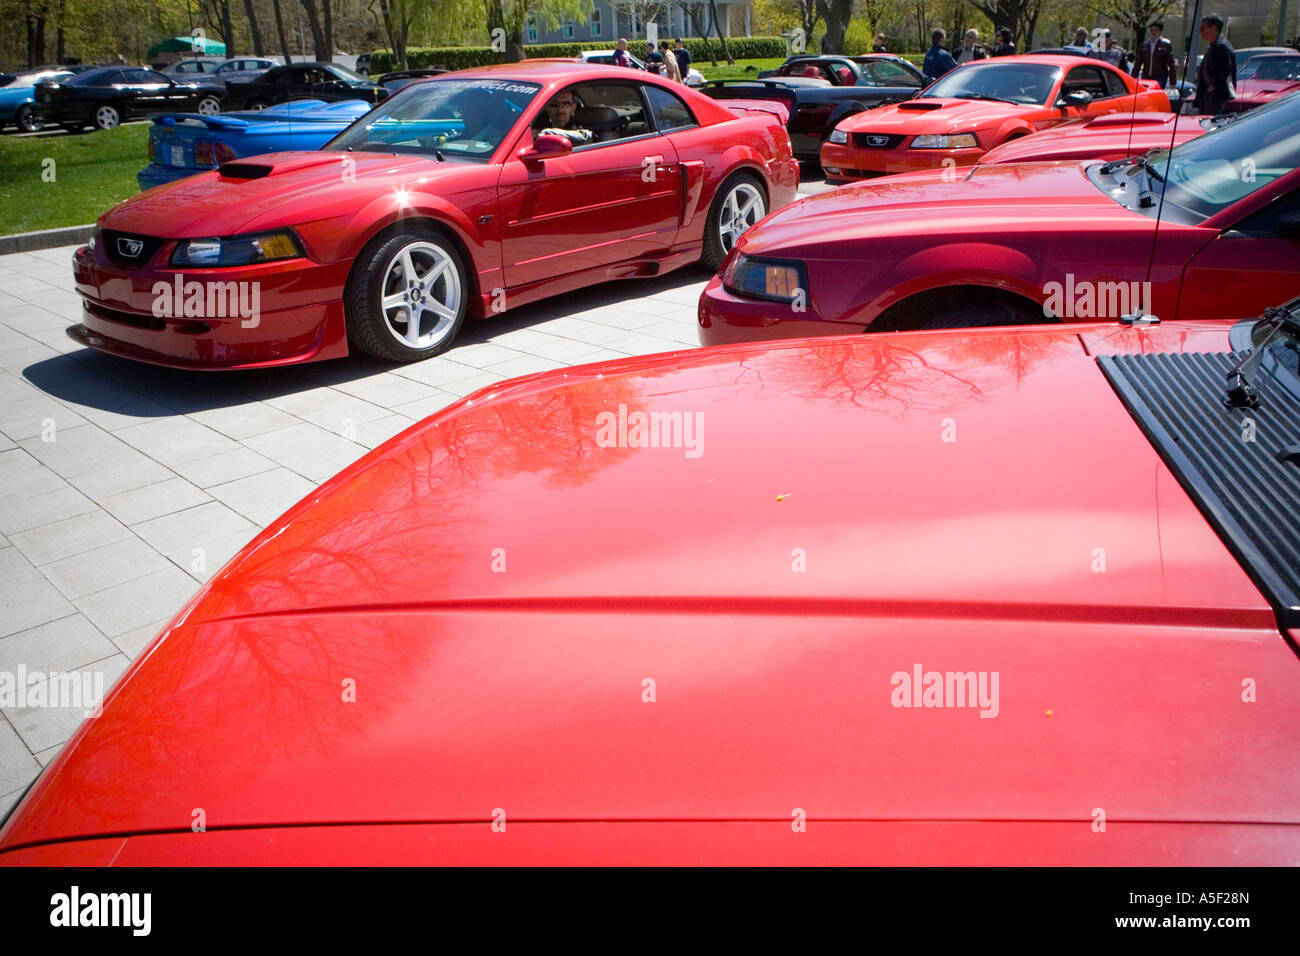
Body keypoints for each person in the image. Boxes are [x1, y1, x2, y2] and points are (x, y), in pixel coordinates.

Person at [1194, 14, 1236, 114]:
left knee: (1211, 125)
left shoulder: (1222, 47)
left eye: (1203, 28)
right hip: (1209, 97)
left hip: (1216, 98)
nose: (1200, 31)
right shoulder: (1213, 46)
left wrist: (1212, 86)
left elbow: (1223, 72)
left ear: (1213, 28)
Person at [1133, 21, 1177, 88]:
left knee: (1156, 94)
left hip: (1160, 76)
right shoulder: (1145, 45)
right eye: (1152, 30)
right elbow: (1138, 63)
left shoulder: (1165, 45)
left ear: (1160, 31)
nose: (1153, 32)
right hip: (1146, 76)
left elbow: (1171, 64)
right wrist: (1133, 76)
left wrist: (1172, 82)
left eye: (1156, 30)